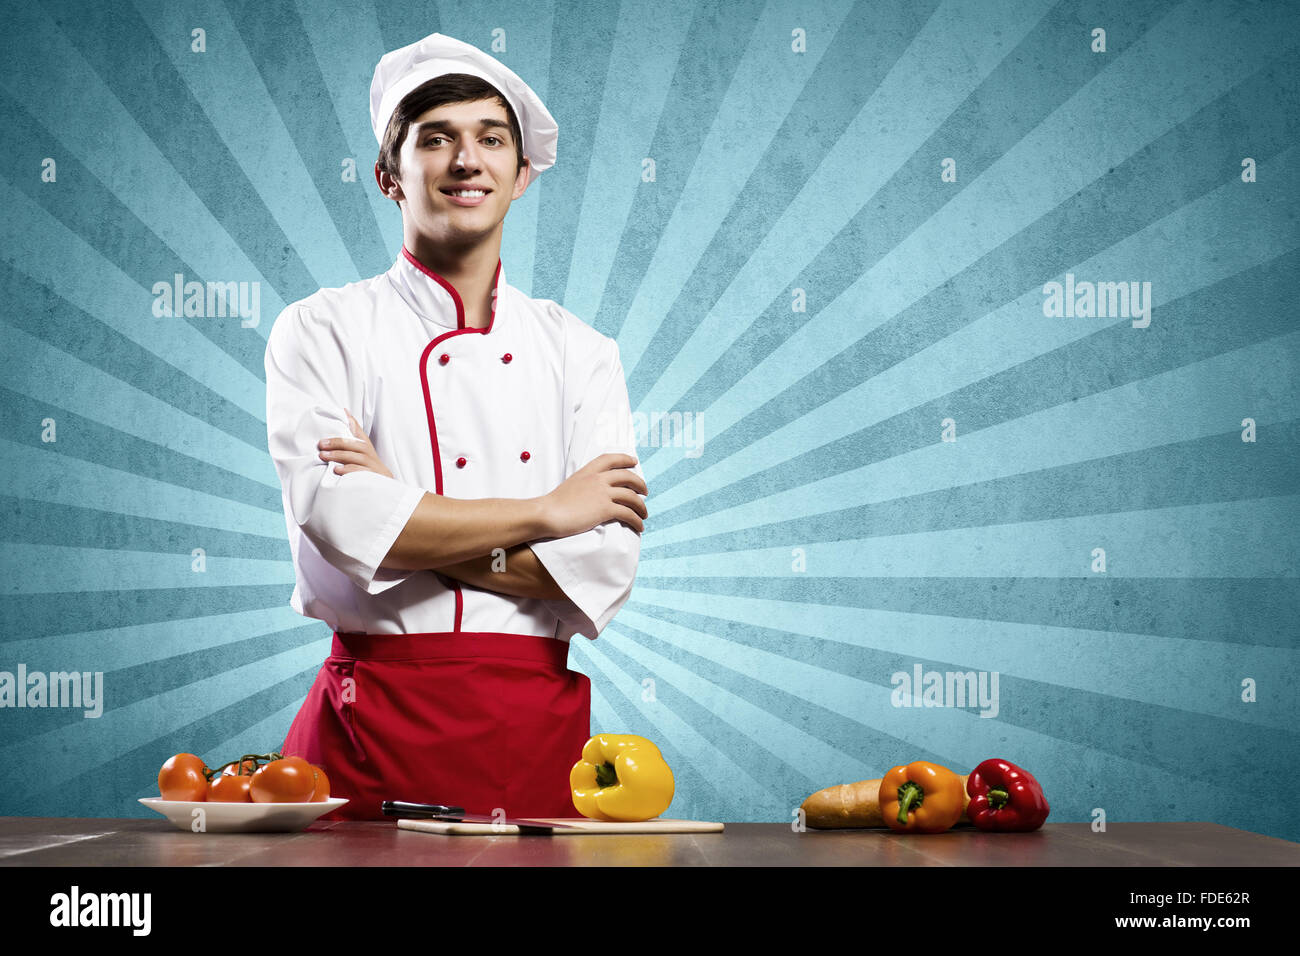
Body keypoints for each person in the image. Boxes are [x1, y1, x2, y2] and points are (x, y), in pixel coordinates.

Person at [263, 32, 647, 821]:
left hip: (539, 739)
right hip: (366, 735)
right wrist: (548, 513)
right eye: (435, 139)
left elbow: (603, 568)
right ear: (388, 177)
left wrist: (405, 517)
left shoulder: (584, 353)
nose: (466, 160)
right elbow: (339, 520)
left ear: (522, 175)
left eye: (490, 139)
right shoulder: (321, 329)